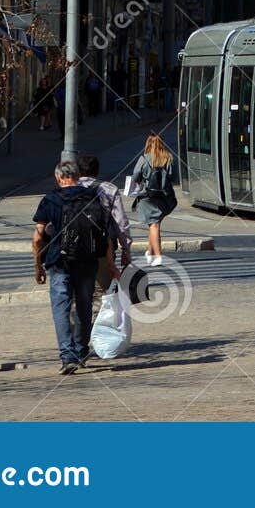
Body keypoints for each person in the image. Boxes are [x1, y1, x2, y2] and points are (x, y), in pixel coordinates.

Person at [33, 158, 115, 375]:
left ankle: (67, 356)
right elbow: (106, 235)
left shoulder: (50, 200)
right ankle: (80, 352)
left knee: (61, 308)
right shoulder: (96, 196)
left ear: (59, 178)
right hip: (88, 260)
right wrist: (111, 263)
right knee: (84, 305)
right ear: (77, 177)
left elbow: (38, 237)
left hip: (59, 261)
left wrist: (37, 265)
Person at [75, 153, 131, 289]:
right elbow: (120, 222)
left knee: (79, 292)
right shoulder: (109, 189)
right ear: (97, 171)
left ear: (78, 171)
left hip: (74, 246)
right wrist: (126, 248)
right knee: (103, 291)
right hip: (103, 247)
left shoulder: (68, 189)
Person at [128, 133, 179, 265]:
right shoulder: (168, 158)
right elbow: (174, 178)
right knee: (155, 224)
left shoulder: (144, 159)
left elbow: (135, 176)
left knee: (153, 225)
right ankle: (150, 252)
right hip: (164, 197)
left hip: (148, 196)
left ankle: (158, 256)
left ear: (148, 144)